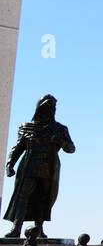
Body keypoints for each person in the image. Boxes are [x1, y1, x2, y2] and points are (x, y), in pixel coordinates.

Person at [3, 94, 75, 238]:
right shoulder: (27, 127)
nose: (52, 110)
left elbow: (71, 148)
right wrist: (10, 164)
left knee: (43, 197)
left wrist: (60, 140)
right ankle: (16, 228)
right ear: (40, 108)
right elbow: (17, 148)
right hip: (29, 166)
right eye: (49, 107)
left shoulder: (60, 129)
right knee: (22, 196)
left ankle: (39, 228)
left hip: (49, 168)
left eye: (53, 107)